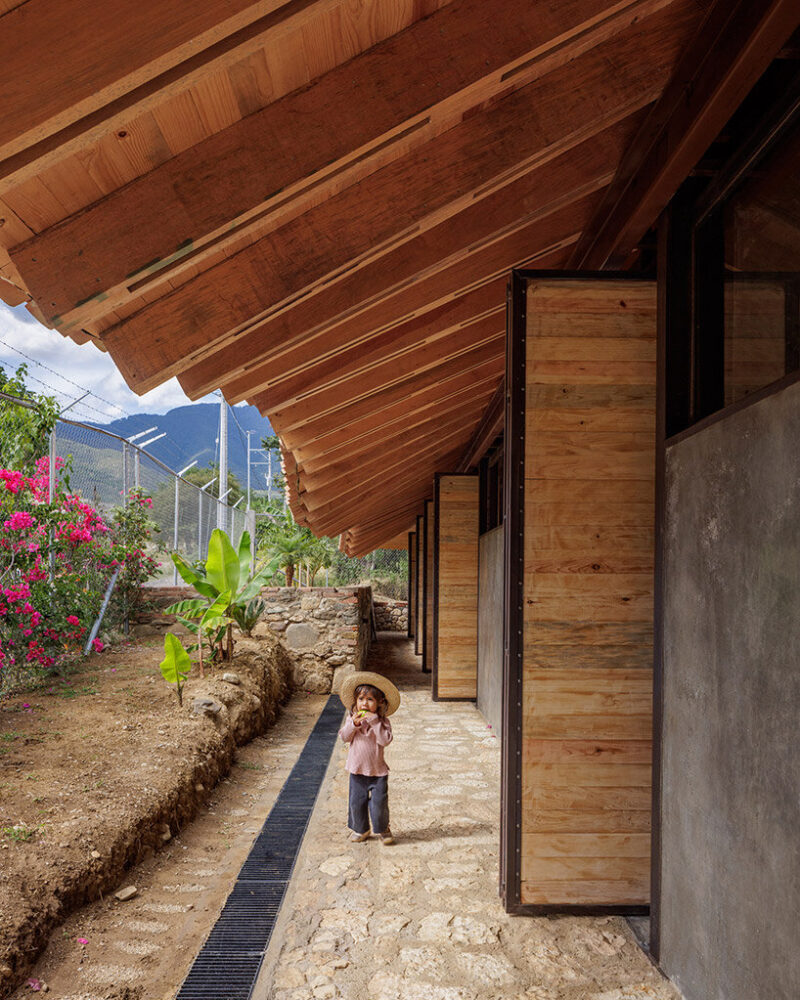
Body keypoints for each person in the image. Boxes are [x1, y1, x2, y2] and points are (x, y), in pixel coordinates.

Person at [338, 670, 401, 845]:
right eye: (361, 699)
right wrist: (354, 725)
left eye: (370, 700)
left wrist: (374, 722)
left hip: (378, 771)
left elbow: (385, 740)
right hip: (357, 769)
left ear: (380, 703)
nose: (364, 704)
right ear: (355, 702)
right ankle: (361, 829)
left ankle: (383, 828)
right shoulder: (352, 719)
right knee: (356, 802)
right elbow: (344, 737)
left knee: (379, 803)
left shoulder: (382, 722)